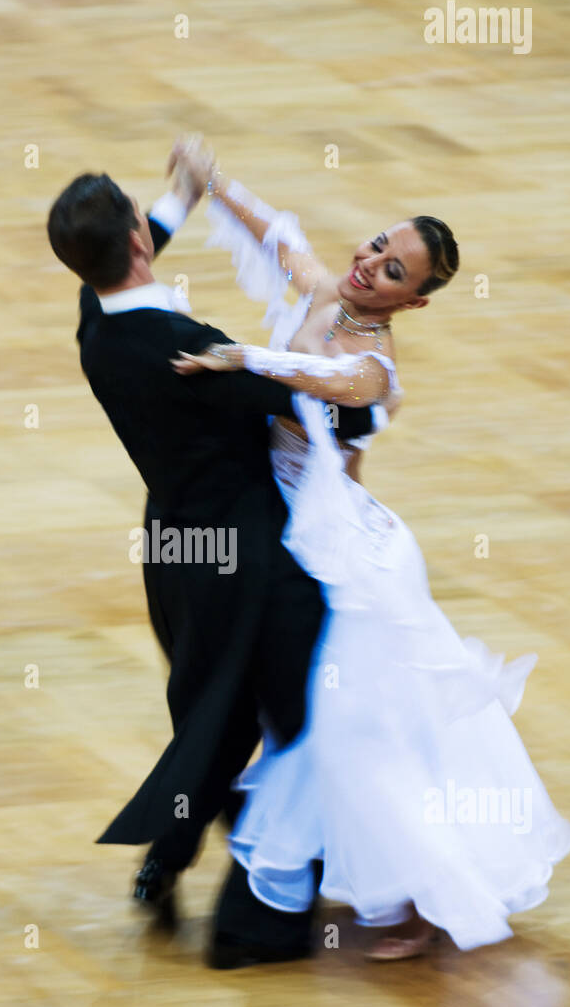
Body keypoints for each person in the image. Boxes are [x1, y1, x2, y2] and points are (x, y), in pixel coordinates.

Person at [171, 144, 570, 959]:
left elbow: (324, 381)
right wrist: (211, 178)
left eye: (394, 273)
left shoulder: (379, 367)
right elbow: (277, 232)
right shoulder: (327, 288)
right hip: (300, 528)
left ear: (414, 304)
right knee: (351, 723)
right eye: (374, 247)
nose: (369, 268)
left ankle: (428, 897)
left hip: (347, 555)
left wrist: (240, 357)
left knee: (367, 725)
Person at [46, 139, 381, 963]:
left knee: (212, 706)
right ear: (130, 246)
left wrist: (178, 199)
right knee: (283, 706)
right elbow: (308, 404)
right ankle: (264, 896)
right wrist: (373, 379)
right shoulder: (180, 347)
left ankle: (175, 855)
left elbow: (130, 257)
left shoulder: (98, 319)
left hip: (175, 545)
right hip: (244, 549)